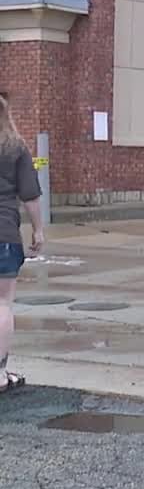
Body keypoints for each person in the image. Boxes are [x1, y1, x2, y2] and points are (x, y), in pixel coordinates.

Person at [0, 95, 43, 394]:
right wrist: (38, 230)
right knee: (2, 303)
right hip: (4, 234)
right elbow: (30, 194)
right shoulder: (16, 148)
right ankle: (0, 373)